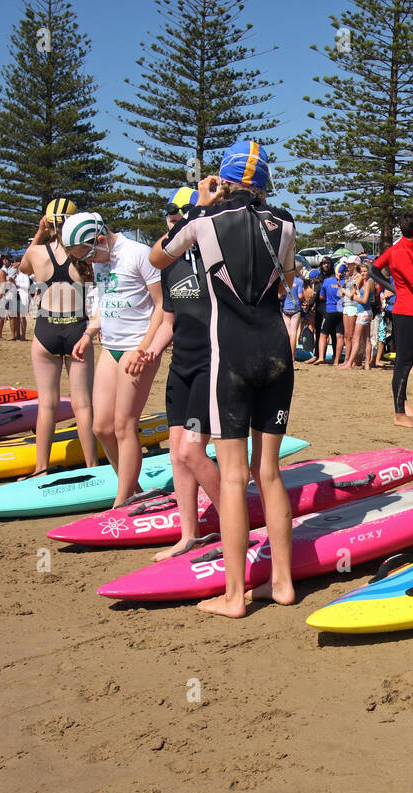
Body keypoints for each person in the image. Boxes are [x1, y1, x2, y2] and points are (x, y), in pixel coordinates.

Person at [149, 142, 298, 617]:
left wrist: (200, 202)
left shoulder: (201, 224)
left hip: (228, 357)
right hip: (276, 355)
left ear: (225, 181)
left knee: (233, 478)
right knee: (268, 473)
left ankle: (235, 596)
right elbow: (288, 282)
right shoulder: (287, 226)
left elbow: (157, 259)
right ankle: (283, 584)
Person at [142, 185, 227, 561]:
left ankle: (233, 524)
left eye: (181, 213)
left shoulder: (216, 256)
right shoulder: (170, 264)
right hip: (182, 366)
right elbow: (169, 323)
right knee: (176, 456)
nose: (174, 220)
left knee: (192, 453)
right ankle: (189, 535)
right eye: (171, 214)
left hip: (213, 363)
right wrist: (148, 352)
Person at [63, 210, 164, 505]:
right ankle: (131, 489)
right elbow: (105, 303)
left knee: (124, 424)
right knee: (102, 427)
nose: (88, 262)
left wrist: (144, 348)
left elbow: (161, 306)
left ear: (101, 240)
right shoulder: (100, 260)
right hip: (111, 347)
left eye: (87, 254)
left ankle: (122, 499)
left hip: (138, 348)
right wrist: (88, 334)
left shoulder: (139, 254)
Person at [17, 198, 99, 478]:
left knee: (47, 404)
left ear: (47, 221)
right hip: (77, 328)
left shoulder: (37, 253)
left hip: (46, 329)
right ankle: (93, 467)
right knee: (83, 405)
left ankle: (41, 468)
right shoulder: (84, 254)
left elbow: (23, 268)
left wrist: (40, 233)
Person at [370, 209, 413, 428]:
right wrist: (393, 288)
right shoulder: (399, 251)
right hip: (405, 313)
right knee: (404, 363)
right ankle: (399, 413)